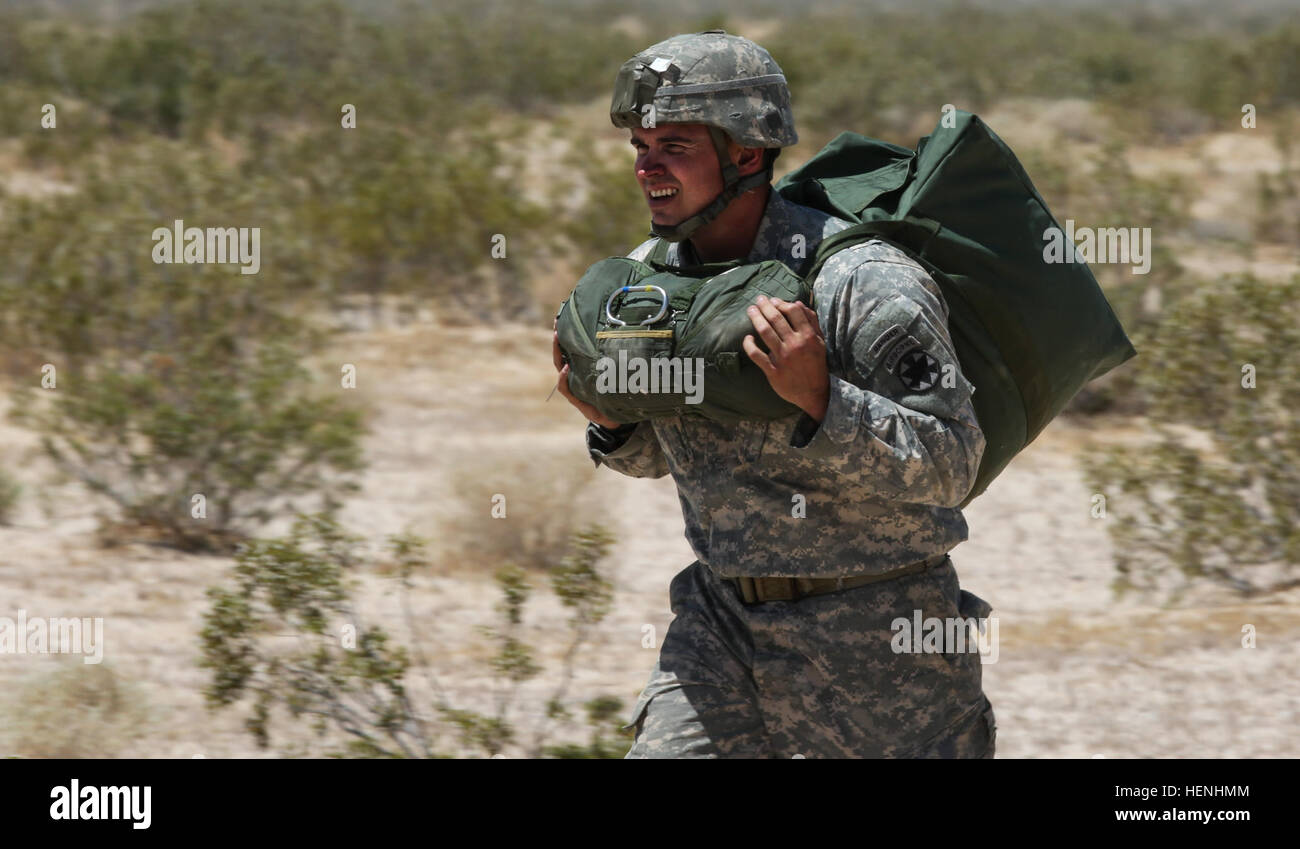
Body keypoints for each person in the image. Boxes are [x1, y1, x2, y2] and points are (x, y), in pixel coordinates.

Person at [552, 30, 997, 758]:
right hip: (718, 627)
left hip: (879, 643)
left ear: (747, 154)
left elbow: (952, 461)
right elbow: (664, 454)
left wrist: (824, 400)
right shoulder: (649, 283)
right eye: (640, 146)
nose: (648, 169)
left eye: (676, 146)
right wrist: (614, 428)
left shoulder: (860, 279)